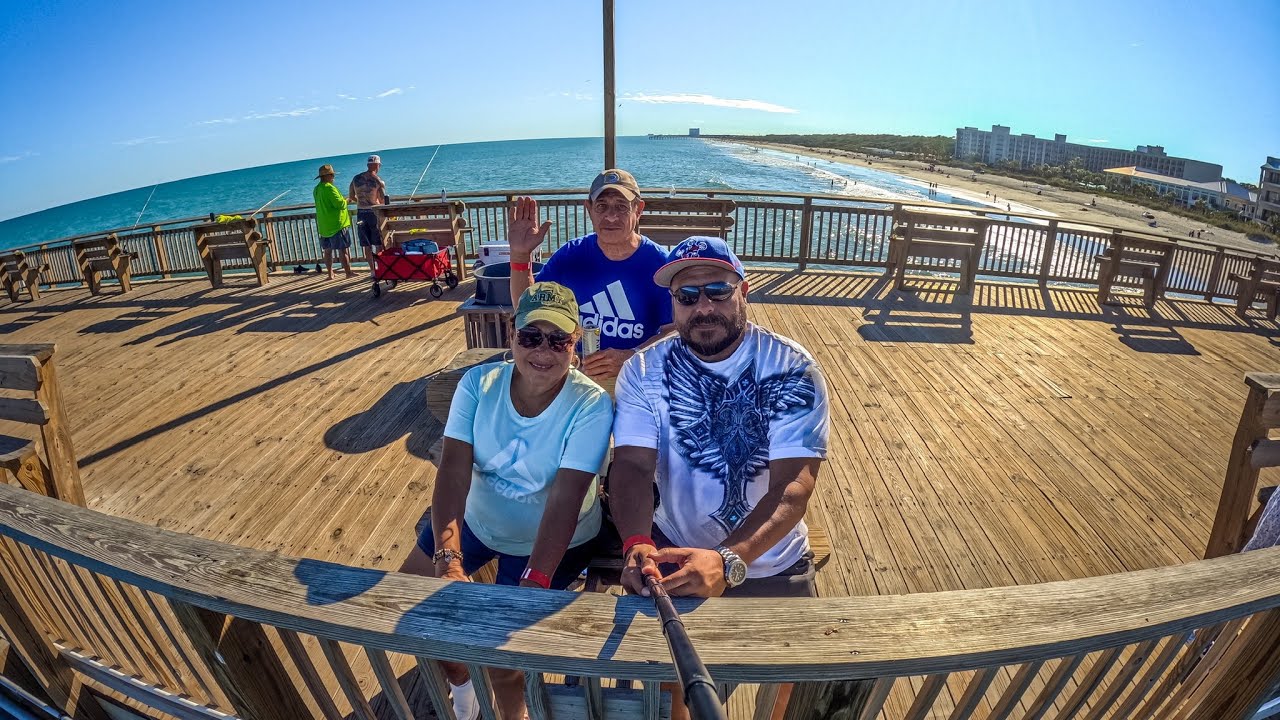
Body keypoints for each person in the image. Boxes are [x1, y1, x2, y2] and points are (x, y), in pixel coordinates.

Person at [607, 237, 830, 720]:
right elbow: (631, 467)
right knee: (678, 696)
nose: (703, 307)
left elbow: (793, 487)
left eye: (717, 291)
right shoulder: (644, 368)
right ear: (673, 305)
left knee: (788, 693)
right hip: (677, 550)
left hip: (773, 559)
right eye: (687, 297)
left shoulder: (792, 367)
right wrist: (636, 541)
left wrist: (729, 559)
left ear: (743, 291)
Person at [399, 282, 613, 720]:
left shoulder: (590, 404)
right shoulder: (479, 383)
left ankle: (513, 713)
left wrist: (532, 583)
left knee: (502, 652)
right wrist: (448, 559)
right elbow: (454, 471)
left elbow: (566, 499)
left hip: (553, 540)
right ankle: (463, 687)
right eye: (531, 336)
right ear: (511, 332)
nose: (543, 351)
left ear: (575, 344)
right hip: (479, 521)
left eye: (558, 340)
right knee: (411, 601)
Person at [507, 169, 673, 382]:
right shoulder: (570, 255)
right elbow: (527, 311)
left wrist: (633, 356)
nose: (611, 216)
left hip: (635, 379)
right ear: (589, 209)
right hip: (572, 376)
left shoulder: (661, 264)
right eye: (602, 206)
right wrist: (520, 255)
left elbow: (675, 332)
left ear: (638, 209)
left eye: (621, 207)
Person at [313, 164, 355, 280]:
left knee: (327, 251)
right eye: (332, 175)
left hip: (324, 226)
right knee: (343, 250)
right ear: (328, 176)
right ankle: (348, 273)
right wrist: (348, 200)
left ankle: (330, 274)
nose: (333, 177)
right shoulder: (330, 188)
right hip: (337, 224)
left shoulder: (317, 189)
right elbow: (340, 204)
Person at [348, 154, 389, 274]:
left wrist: (361, 202)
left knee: (366, 244)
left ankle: (372, 271)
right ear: (377, 165)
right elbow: (382, 201)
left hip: (361, 213)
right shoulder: (378, 181)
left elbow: (351, 196)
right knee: (378, 243)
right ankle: (381, 268)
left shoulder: (355, 179)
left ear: (367, 165)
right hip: (373, 213)